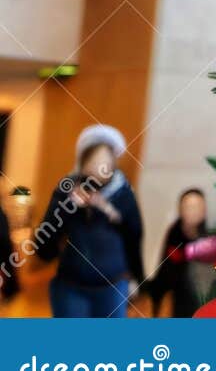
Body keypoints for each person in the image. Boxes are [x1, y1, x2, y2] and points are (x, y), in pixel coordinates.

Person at [31, 124, 143, 318]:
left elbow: (134, 236)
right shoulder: (66, 189)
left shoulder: (124, 193)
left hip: (113, 286)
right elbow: (44, 244)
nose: (100, 168)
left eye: (105, 161)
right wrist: (68, 207)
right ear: (82, 162)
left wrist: (108, 210)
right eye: (94, 161)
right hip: (71, 286)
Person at [143, 188, 216, 318]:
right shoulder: (174, 233)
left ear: (204, 211)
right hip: (178, 301)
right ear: (180, 210)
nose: (193, 212)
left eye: (197, 207)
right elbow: (164, 270)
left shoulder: (209, 239)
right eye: (189, 207)